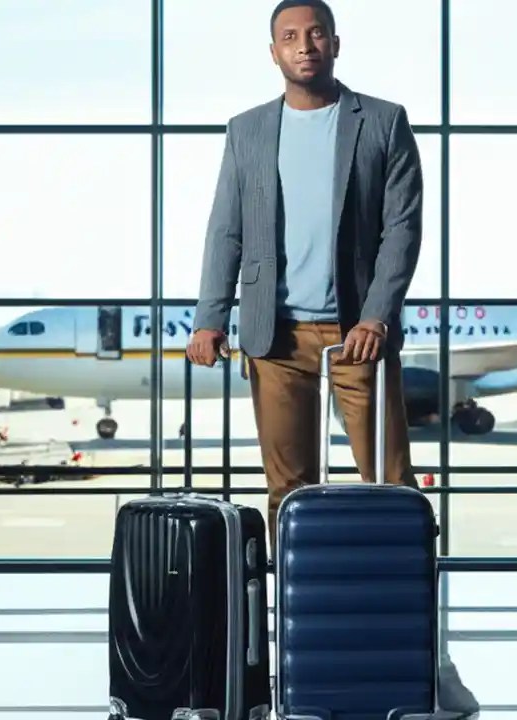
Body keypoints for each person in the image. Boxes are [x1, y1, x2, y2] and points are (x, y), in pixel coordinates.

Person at [185, 0, 424, 559]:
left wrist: (377, 315)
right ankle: (292, 613)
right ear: (274, 54)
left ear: (335, 44)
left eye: (316, 34)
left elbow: (403, 229)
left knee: (390, 481)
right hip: (275, 336)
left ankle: (404, 605)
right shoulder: (247, 130)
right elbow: (227, 230)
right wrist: (209, 319)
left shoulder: (383, 121)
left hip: (357, 336)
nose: (305, 45)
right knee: (287, 492)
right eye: (290, 37)